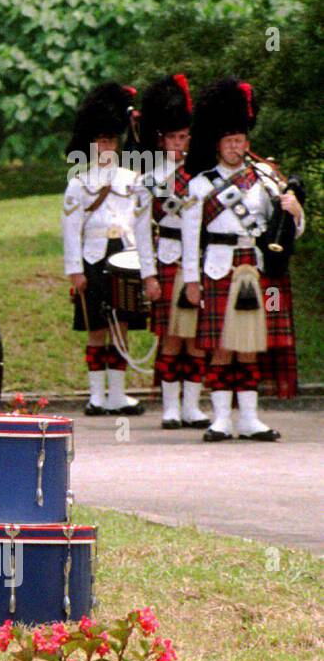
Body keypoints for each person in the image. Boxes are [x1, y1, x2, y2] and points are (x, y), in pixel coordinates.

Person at [183, 78, 305, 441]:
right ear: (217, 145)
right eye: (228, 141)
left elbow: (285, 229)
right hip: (219, 266)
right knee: (221, 346)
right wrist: (191, 280)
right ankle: (221, 420)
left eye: (240, 141)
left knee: (251, 344)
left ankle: (250, 419)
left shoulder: (266, 179)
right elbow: (191, 238)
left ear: (246, 143)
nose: (235, 147)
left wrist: (295, 212)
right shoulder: (200, 185)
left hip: (257, 267)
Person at [129, 73, 209, 429]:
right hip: (167, 258)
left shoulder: (201, 175)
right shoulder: (149, 180)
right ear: (161, 139)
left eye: (185, 136)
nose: (182, 142)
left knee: (196, 339)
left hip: (202, 261)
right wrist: (148, 274)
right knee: (171, 339)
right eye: (176, 137)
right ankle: (170, 407)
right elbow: (142, 231)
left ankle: (192, 406)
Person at [62, 82, 144, 416]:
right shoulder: (78, 183)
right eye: (99, 141)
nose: (105, 146)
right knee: (96, 327)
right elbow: (70, 229)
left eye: (110, 140)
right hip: (93, 258)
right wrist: (75, 271)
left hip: (124, 255)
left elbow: (140, 222)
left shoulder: (132, 179)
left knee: (120, 326)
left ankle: (118, 396)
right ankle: (97, 397)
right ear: (90, 145)